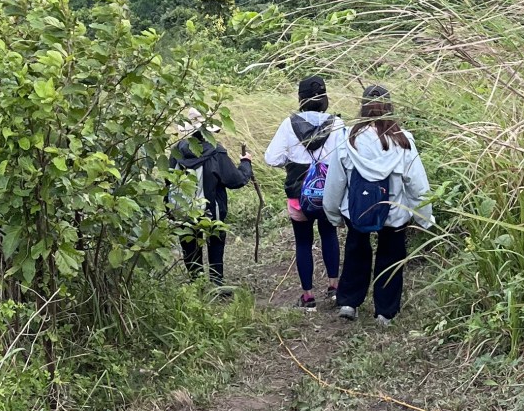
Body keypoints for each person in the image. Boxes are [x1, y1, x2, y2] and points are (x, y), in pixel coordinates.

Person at [322, 83, 433, 325]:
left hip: (357, 211)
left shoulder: (348, 140)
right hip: (395, 213)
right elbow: (417, 184)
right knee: (391, 258)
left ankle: (349, 302)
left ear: (362, 107)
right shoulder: (403, 141)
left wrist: (333, 214)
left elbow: (335, 182)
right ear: (390, 108)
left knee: (355, 251)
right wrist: (425, 217)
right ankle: (385, 312)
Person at [263, 75, 342, 310]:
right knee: (329, 236)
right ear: (325, 98)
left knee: (303, 242)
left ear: (301, 98)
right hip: (328, 193)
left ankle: (308, 297)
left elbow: (271, 158)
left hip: (299, 194)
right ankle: (334, 288)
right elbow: (345, 155)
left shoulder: (289, 124)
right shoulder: (337, 124)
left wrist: (293, 161)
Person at [169, 108, 253, 289]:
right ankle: (217, 284)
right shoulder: (216, 152)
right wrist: (246, 163)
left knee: (189, 244)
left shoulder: (176, 152)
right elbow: (235, 180)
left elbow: (168, 182)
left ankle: (195, 285)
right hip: (211, 210)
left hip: (183, 211)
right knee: (215, 241)